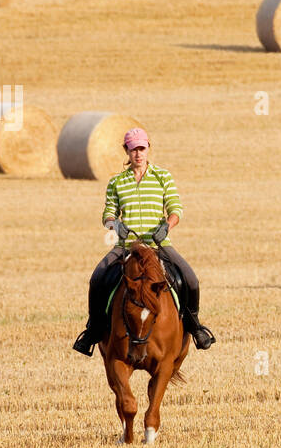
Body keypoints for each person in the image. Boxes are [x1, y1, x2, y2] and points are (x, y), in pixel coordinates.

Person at [72, 128, 215, 355]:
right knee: (97, 278)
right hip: (126, 247)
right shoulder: (117, 182)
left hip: (158, 245)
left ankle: (195, 326)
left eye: (142, 148)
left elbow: (176, 208)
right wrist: (114, 225)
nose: (138, 153)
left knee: (190, 279)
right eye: (133, 149)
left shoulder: (163, 177)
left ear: (148, 148)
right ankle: (93, 330)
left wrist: (167, 226)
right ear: (126, 151)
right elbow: (108, 214)